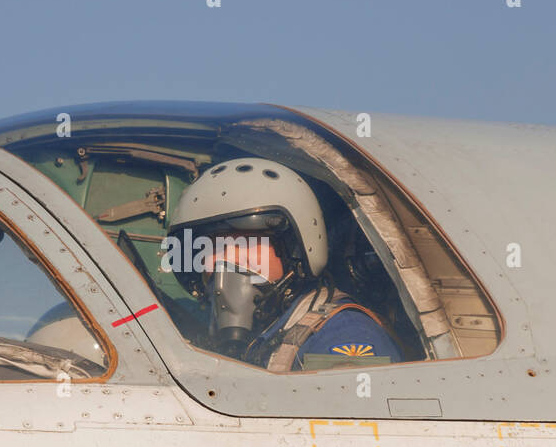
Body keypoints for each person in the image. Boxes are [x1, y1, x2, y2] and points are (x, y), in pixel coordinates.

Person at [165, 157, 401, 371]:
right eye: (213, 248)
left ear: (295, 250)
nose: (228, 261)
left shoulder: (344, 336)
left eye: (248, 242)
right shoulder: (237, 331)